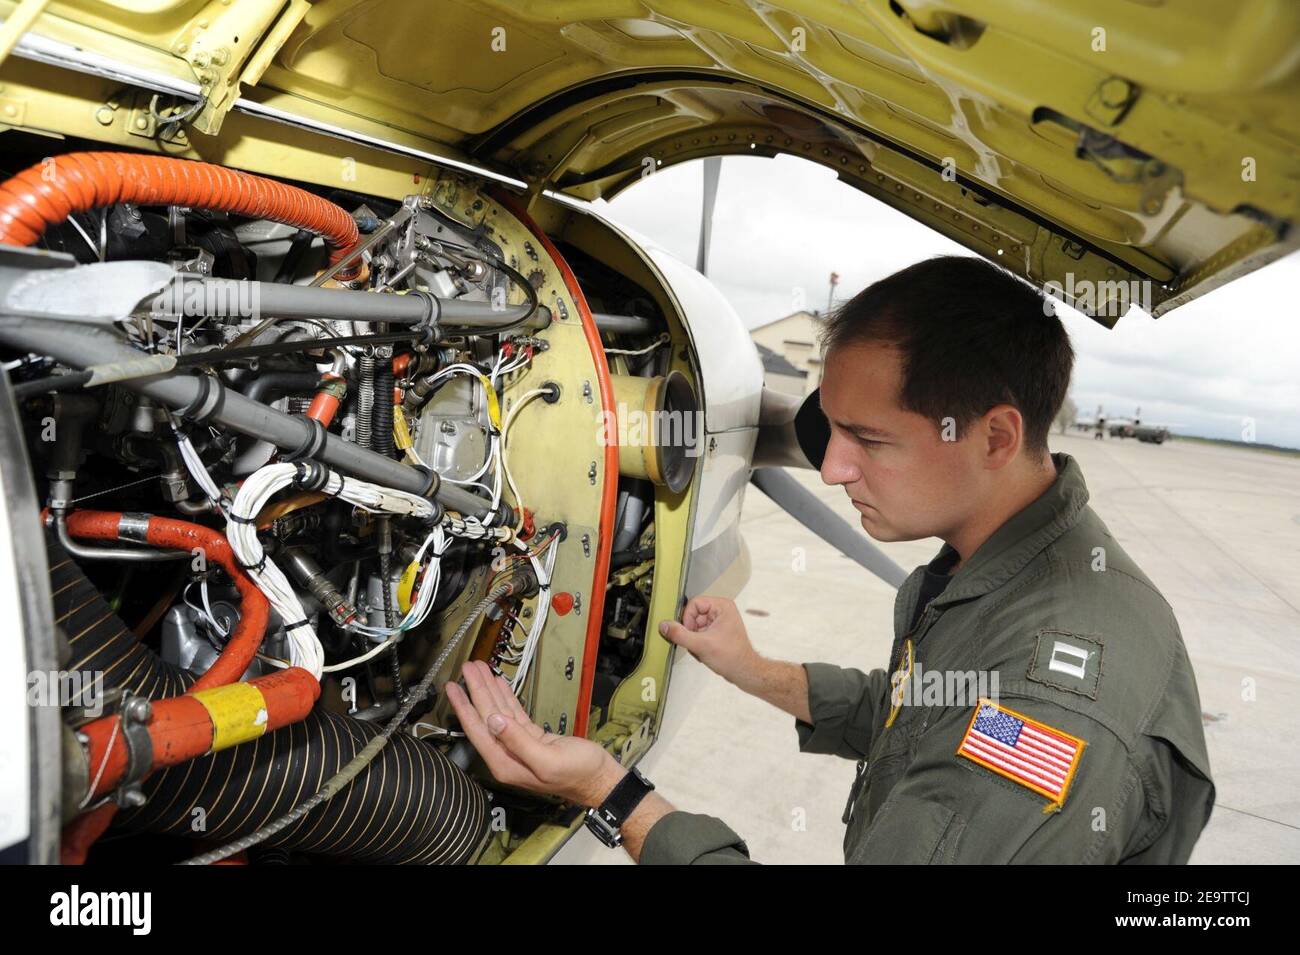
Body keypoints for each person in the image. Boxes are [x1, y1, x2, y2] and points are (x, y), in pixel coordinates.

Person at [446, 255, 1215, 864]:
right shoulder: (1005, 571)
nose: (835, 467)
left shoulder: (1052, 706)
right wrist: (751, 667)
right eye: (831, 428)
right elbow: (923, 711)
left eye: (870, 440)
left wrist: (611, 794)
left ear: (995, 437)